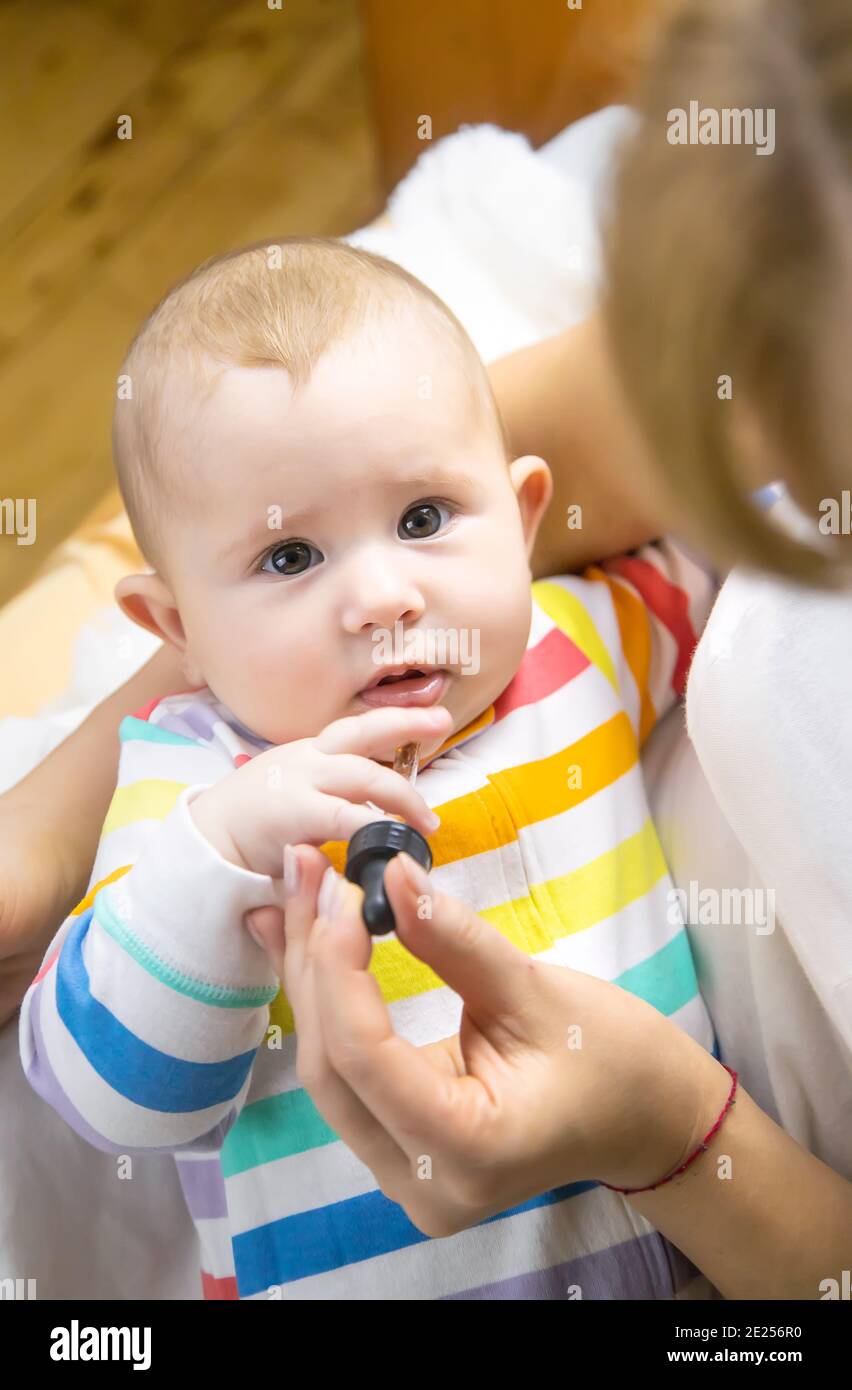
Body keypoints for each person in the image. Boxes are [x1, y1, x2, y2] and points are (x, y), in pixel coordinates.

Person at [17, 236, 720, 1300]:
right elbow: (111, 1101)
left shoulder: (579, 646)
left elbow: (758, 545)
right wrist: (223, 859)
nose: (385, 595)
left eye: (425, 519)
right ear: (179, 627)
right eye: (290, 557)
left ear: (525, 518)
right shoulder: (192, 781)